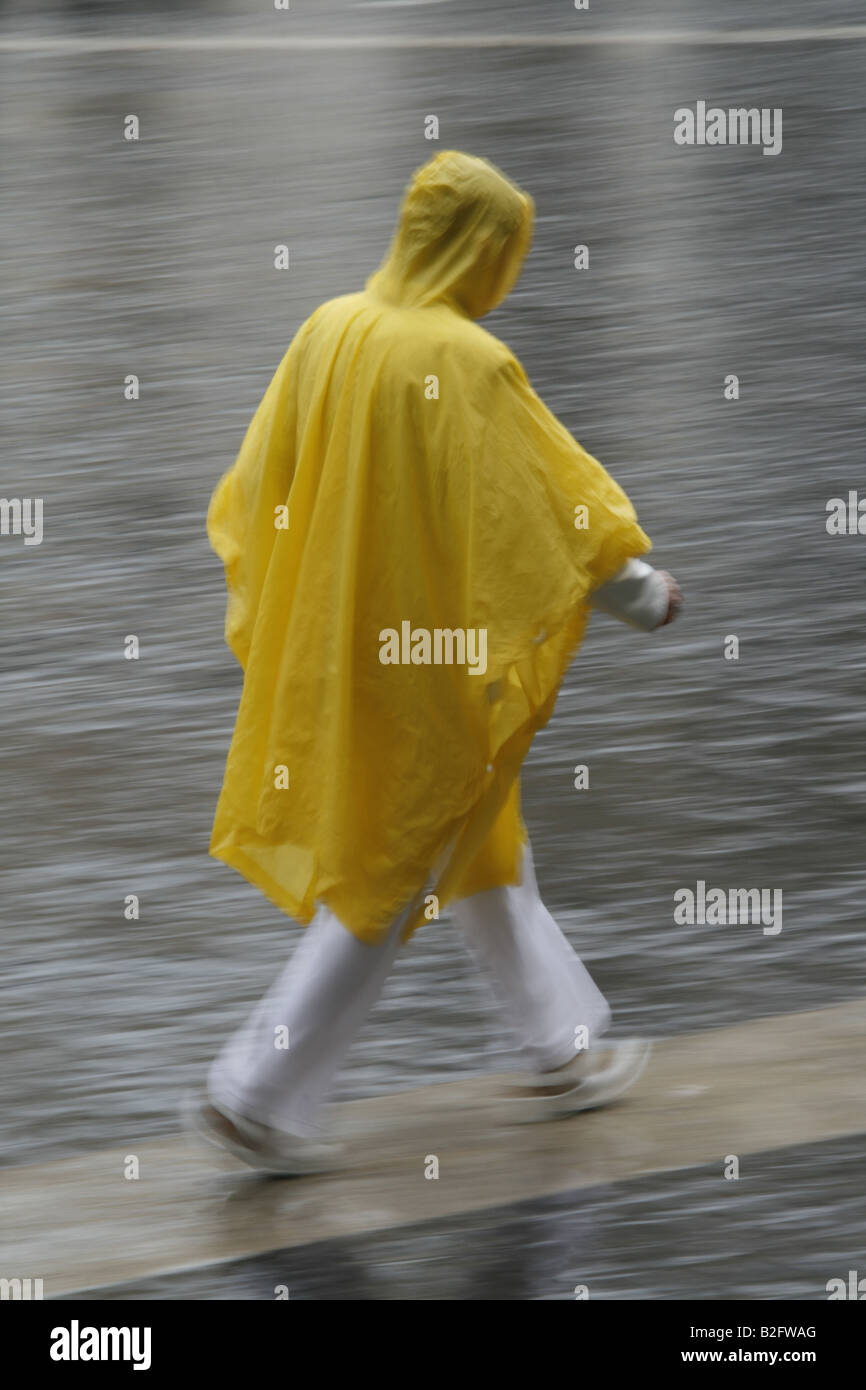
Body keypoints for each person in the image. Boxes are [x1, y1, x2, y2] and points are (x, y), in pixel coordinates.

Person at [189, 151, 683, 1175]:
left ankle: (560, 1049)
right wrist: (641, 592)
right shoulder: (469, 363)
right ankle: (254, 1088)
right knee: (391, 867)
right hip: (431, 664)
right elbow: (543, 516)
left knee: (475, 842)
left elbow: (255, 480)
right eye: (506, 250)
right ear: (478, 251)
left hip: (336, 646)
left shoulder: (327, 327)